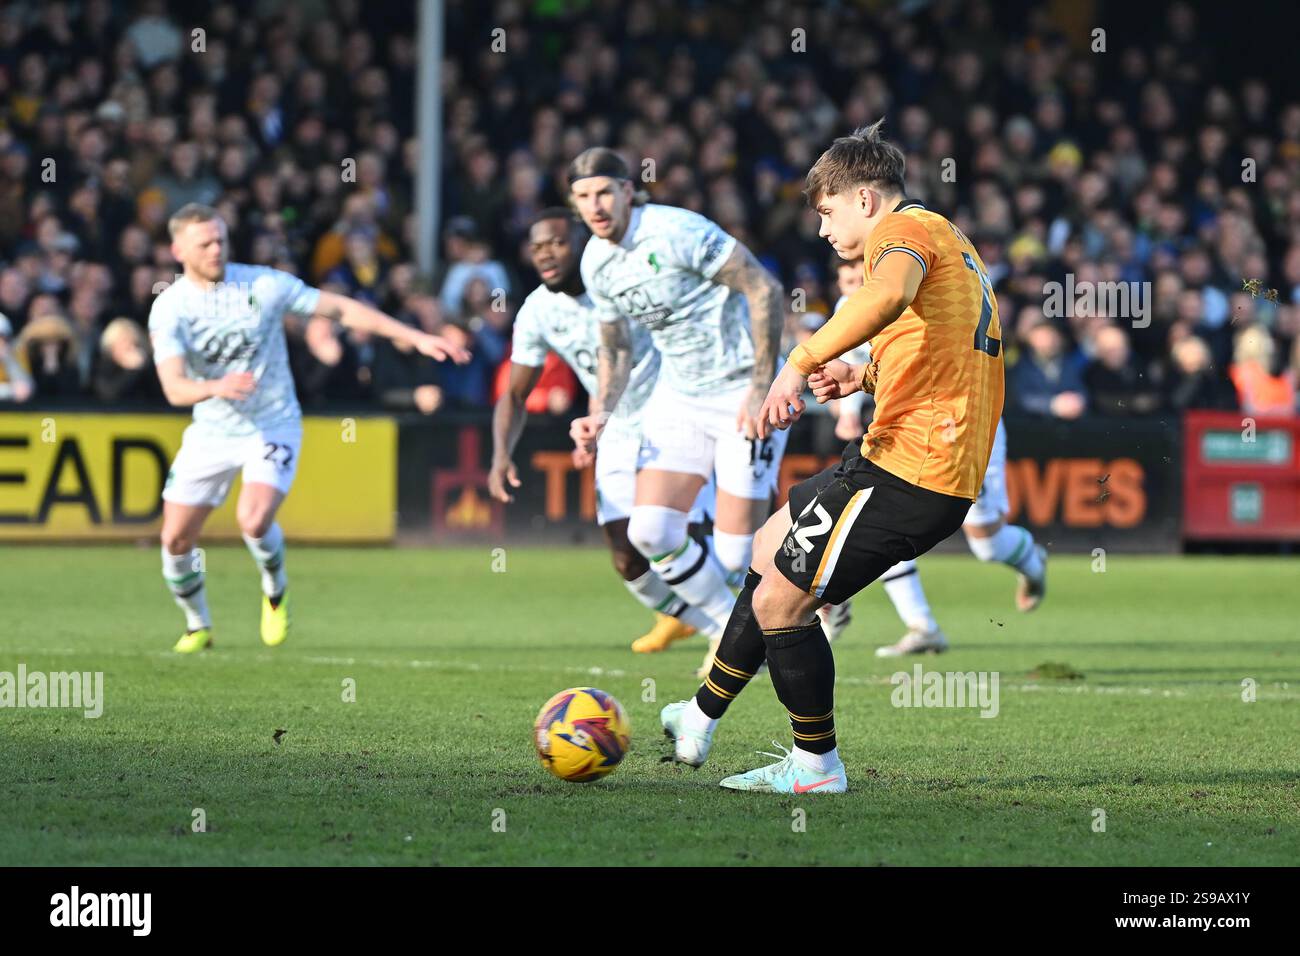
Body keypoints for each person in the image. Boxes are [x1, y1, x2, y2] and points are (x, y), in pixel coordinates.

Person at [661, 122, 1004, 793]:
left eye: (827, 212)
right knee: (767, 550)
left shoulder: (902, 234)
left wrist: (801, 362)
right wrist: (862, 378)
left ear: (866, 200)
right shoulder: (950, 241)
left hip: (915, 468)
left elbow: (888, 298)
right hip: (900, 456)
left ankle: (816, 766)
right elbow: (939, 347)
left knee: (783, 603)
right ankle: (700, 716)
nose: (823, 231)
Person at [149, 203, 468, 653]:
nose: (217, 249)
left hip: (272, 420)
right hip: (212, 431)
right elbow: (174, 388)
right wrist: (218, 385)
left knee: (253, 519)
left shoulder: (261, 284)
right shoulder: (170, 308)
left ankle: (275, 590)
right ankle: (197, 623)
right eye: (205, 243)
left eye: (221, 239)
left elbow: (341, 309)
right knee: (175, 538)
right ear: (178, 248)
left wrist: (413, 336)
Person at [567, 148, 788, 675]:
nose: (594, 206)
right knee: (650, 533)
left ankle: (818, 586)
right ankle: (724, 634)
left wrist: (760, 386)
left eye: (603, 192)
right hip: (682, 396)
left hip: (741, 388)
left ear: (627, 191)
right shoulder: (595, 262)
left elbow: (764, 287)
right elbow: (616, 349)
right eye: (582, 197)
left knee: (736, 555)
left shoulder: (677, 230)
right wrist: (602, 412)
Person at [489, 208, 716, 651]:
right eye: (536, 247)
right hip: (616, 426)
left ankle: (730, 633)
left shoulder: (623, 281)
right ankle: (682, 616)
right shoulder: (537, 310)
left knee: (682, 532)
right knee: (625, 553)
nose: (545, 255)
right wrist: (500, 455)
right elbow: (515, 394)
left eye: (556, 243)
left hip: (675, 412)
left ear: (582, 243)